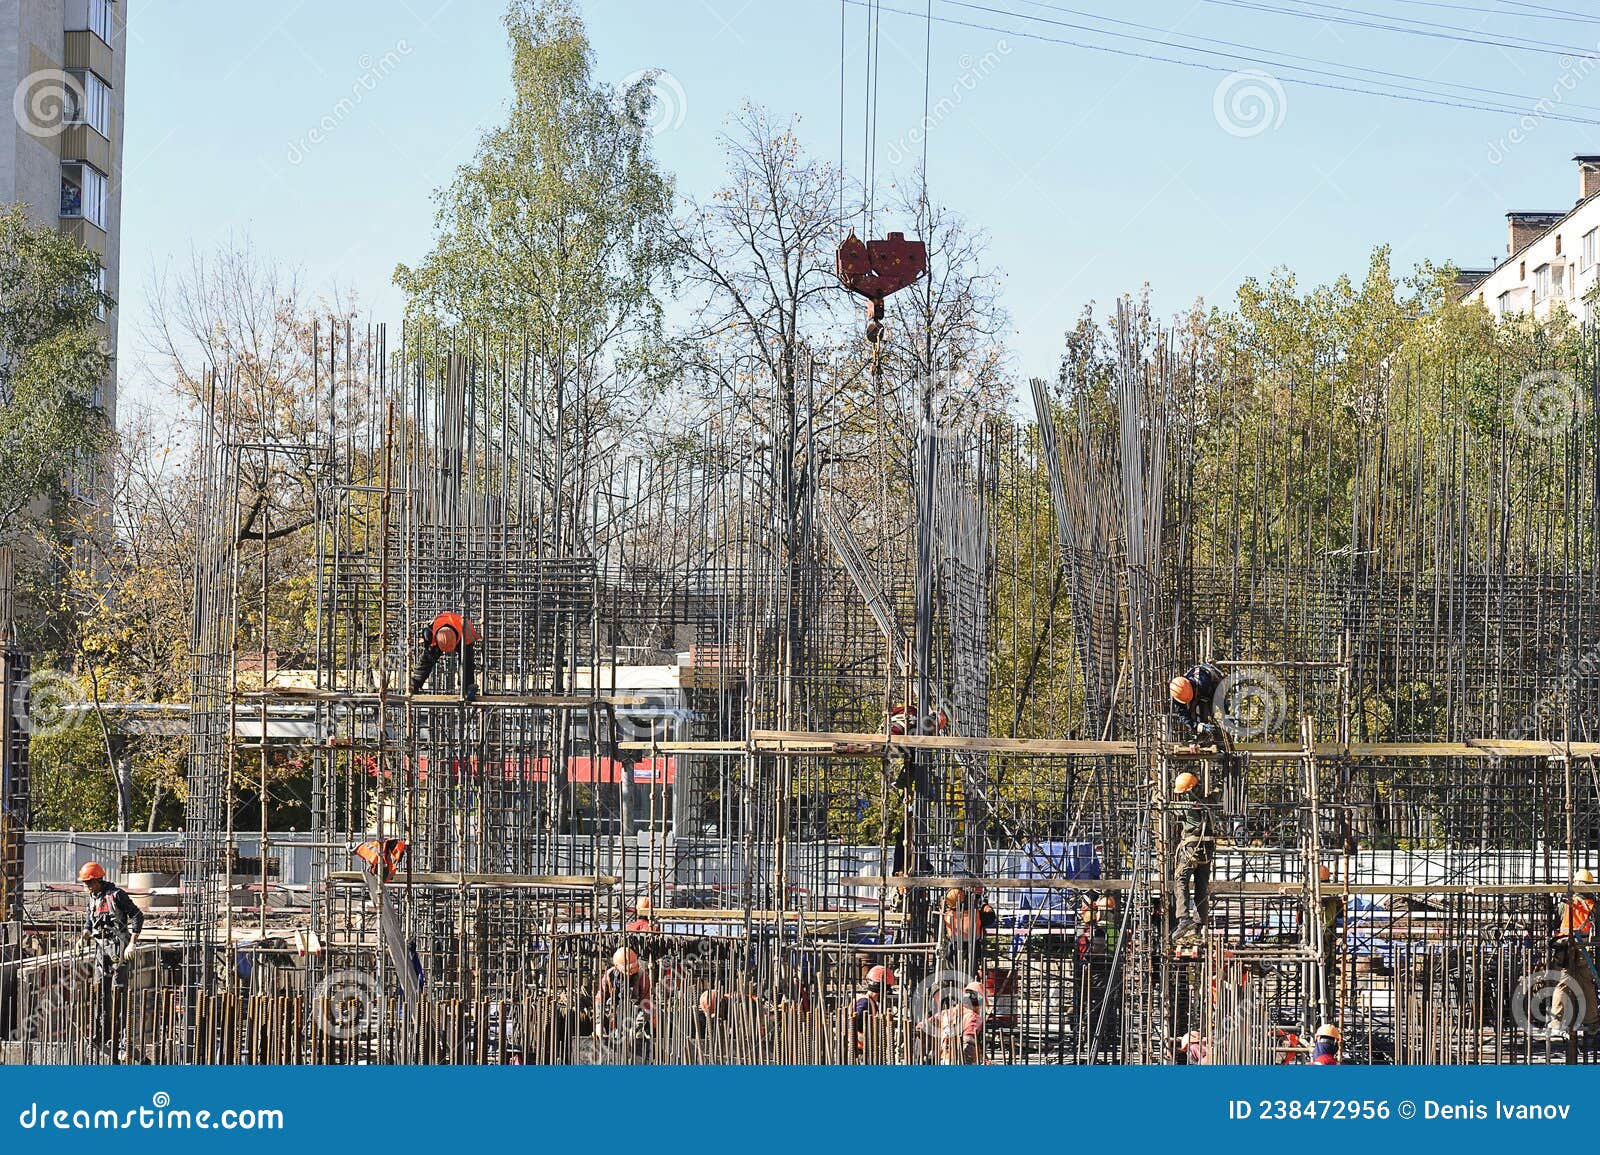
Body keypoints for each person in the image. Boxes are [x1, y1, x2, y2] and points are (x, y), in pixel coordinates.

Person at [77, 862, 143, 1050]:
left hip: (118, 949)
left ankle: (122, 1040)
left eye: (89, 883)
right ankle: (102, 1034)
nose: (87, 887)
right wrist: (83, 938)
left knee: (118, 992)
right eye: (85, 884)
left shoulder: (117, 895)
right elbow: (90, 922)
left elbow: (138, 915)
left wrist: (132, 943)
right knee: (101, 992)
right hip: (101, 950)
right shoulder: (93, 898)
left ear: (98, 880)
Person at [1171, 772, 1223, 940]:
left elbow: (1167, 807)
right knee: (1201, 885)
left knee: (1181, 881)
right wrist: (1219, 784)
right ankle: (1200, 922)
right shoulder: (1210, 802)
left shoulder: (1186, 805)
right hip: (1207, 850)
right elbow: (1218, 792)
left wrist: (1156, 792)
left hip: (1191, 849)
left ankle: (1184, 918)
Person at [1553, 869, 1598, 1038]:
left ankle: (1557, 1019)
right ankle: (1591, 1021)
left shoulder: (1566, 902)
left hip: (1564, 946)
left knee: (1563, 982)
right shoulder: (1594, 904)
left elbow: (1558, 916)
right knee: (1587, 983)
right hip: (1584, 947)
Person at [410, 611, 480, 700]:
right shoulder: (430, 632)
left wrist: (467, 684)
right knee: (428, 657)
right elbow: (427, 648)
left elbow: (468, 663)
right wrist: (428, 646)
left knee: (466, 661)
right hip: (440, 632)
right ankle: (415, 683)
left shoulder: (466, 633)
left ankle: (466, 686)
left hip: (461, 634)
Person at [595, 947, 652, 1056]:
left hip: (635, 1017)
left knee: (637, 1050)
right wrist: (598, 1022)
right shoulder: (609, 975)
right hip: (615, 1018)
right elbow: (599, 999)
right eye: (627, 971)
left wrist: (636, 1027)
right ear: (617, 966)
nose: (630, 973)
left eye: (632, 970)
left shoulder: (642, 977)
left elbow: (646, 1005)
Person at [1169, 662, 1227, 748]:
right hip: (1198, 692)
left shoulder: (1204, 685)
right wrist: (1198, 726)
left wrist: (1226, 714)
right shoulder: (1177, 693)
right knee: (1194, 716)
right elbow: (1183, 716)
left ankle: (1214, 737)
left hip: (1211, 686)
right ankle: (1200, 735)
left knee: (1208, 712)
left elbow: (1220, 699)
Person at [942, 885, 997, 976]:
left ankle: (953, 986)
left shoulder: (947, 915)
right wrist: (985, 906)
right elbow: (990, 917)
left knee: (953, 973)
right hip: (972, 948)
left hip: (953, 948)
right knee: (970, 973)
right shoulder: (975, 915)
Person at [1315, 864, 1344, 1021]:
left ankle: (1319, 1013)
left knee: (1315, 979)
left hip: (1318, 937)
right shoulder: (1333, 893)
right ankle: (1324, 1013)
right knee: (1325, 977)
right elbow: (1341, 912)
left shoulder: (1314, 892)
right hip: (1327, 936)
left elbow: (1299, 918)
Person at [851, 964, 895, 1057]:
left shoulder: (867, 1001)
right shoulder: (865, 1003)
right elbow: (853, 1024)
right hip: (858, 1051)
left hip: (860, 1049)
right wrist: (868, 1039)